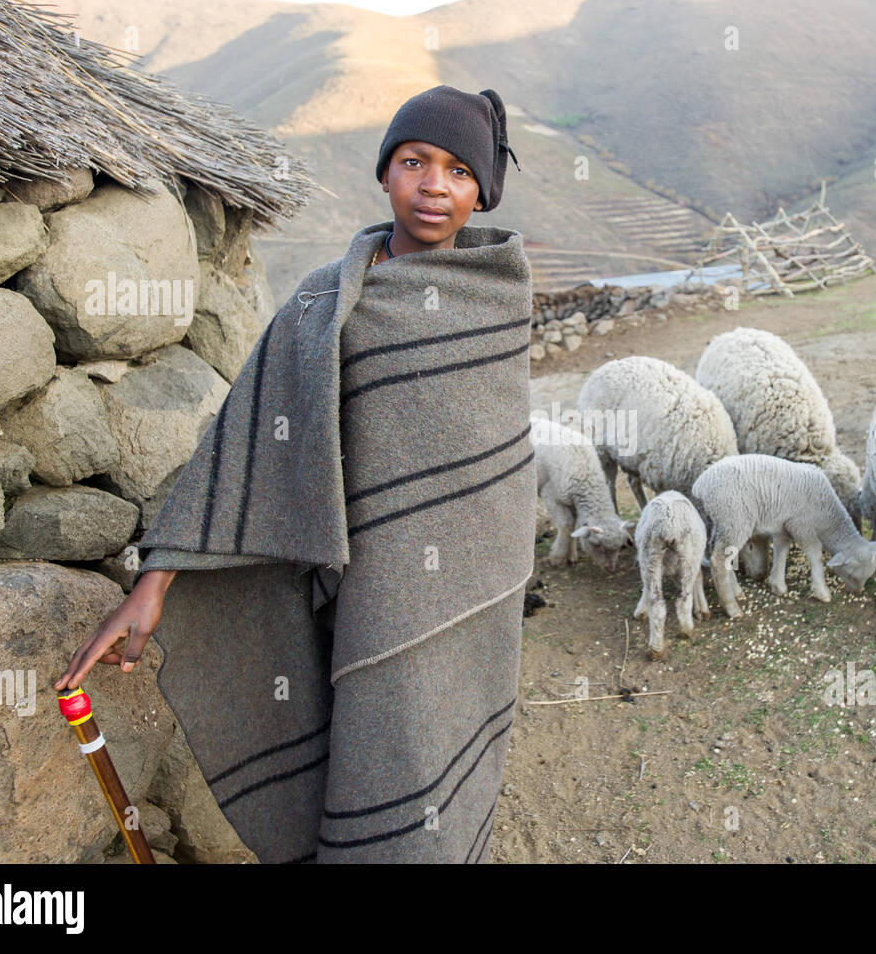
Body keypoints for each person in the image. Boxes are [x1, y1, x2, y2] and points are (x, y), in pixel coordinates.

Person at [55, 85, 536, 863]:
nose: (434, 185)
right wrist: (154, 586)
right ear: (386, 173)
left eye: (457, 170)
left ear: (481, 190)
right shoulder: (323, 303)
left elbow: (498, 469)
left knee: (450, 783)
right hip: (366, 602)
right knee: (376, 786)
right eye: (414, 161)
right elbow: (244, 441)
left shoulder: (499, 300)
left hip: (469, 603)